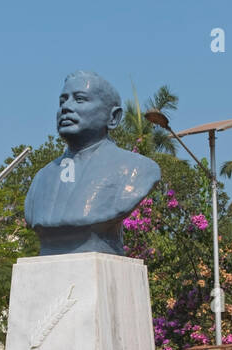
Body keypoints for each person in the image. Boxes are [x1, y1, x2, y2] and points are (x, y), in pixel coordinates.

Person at [23, 70, 162, 256]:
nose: (66, 107)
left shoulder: (137, 169)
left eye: (80, 99)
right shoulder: (41, 178)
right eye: (62, 101)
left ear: (113, 118)